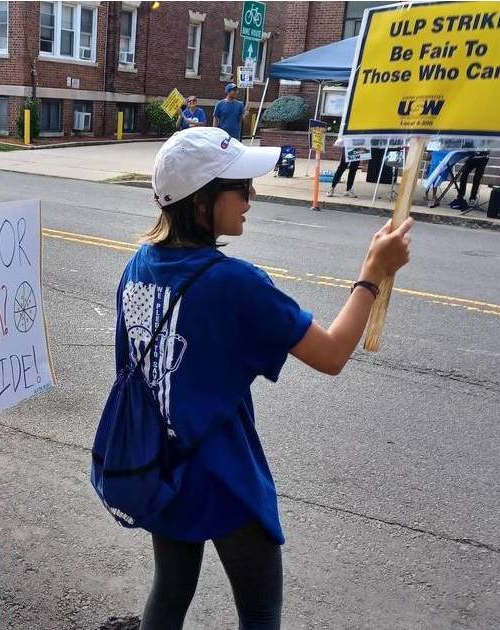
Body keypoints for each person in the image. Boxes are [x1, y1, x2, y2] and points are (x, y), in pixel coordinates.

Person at [119, 126, 413, 628]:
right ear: (201, 200)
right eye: (240, 186)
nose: (252, 196)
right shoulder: (235, 283)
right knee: (259, 612)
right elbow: (333, 354)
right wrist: (373, 272)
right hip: (225, 473)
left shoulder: (138, 265)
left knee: (169, 593)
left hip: (161, 465)